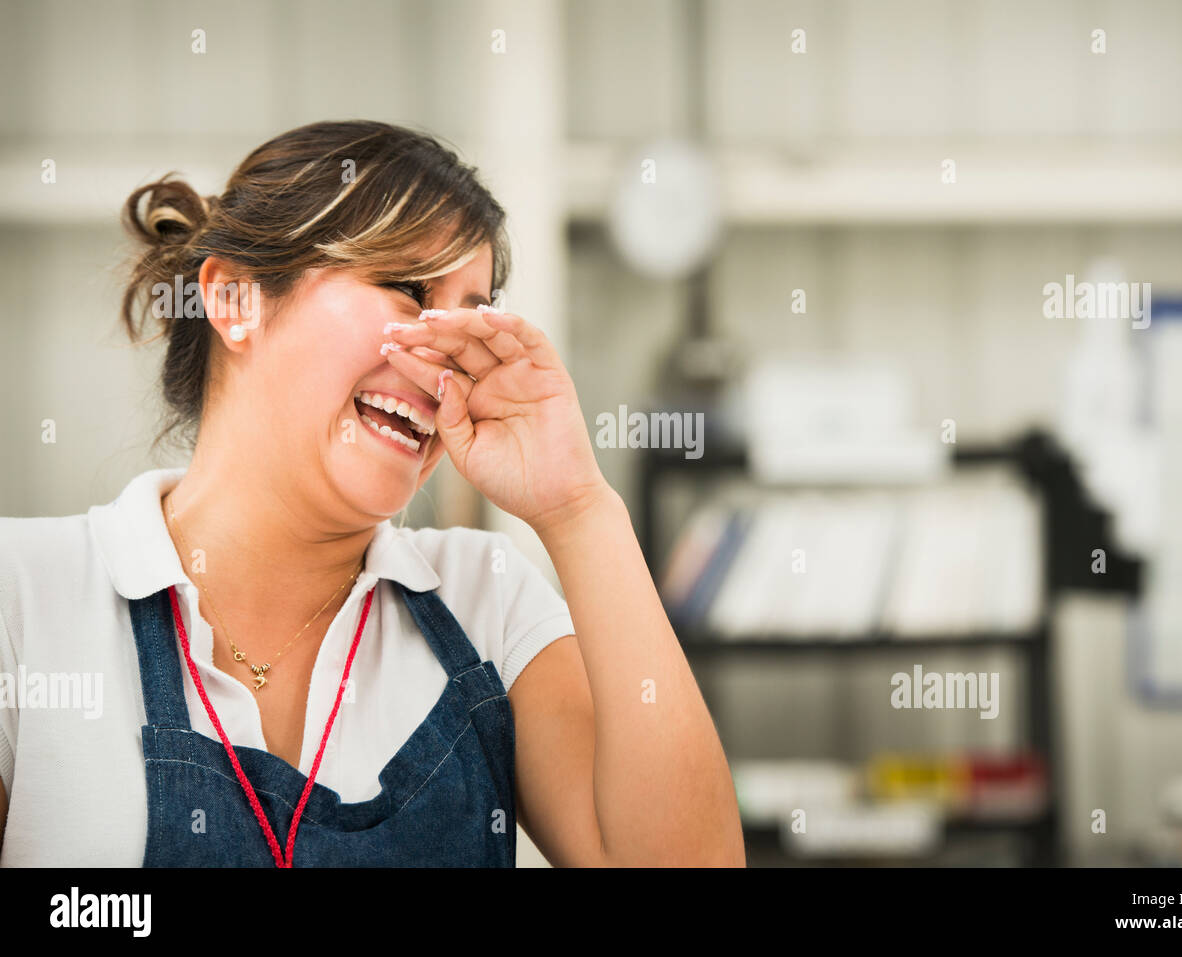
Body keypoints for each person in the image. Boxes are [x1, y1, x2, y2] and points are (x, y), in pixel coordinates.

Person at [0, 119, 744, 867]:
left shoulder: (487, 603)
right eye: (408, 290)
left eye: (473, 318)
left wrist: (579, 508)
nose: (443, 361)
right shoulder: (23, 599)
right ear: (234, 300)